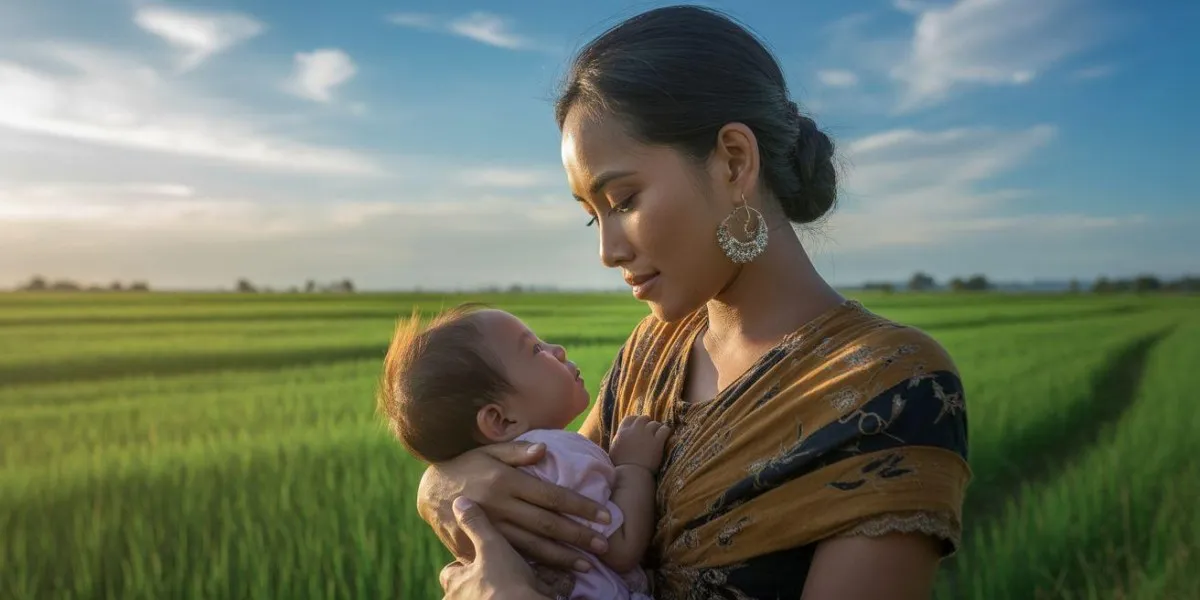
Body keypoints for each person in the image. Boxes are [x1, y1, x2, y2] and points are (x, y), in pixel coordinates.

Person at [418, 5, 971, 599]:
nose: (607, 251)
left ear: (735, 160)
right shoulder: (651, 353)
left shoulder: (892, 385)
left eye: (624, 199)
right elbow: (554, 483)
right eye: (592, 218)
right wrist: (442, 482)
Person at [376, 304, 671, 598]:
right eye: (535, 350)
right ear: (500, 420)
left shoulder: (488, 488)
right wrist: (635, 466)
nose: (558, 350)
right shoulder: (556, 457)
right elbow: (619, 546)